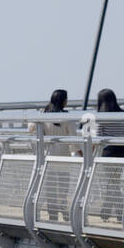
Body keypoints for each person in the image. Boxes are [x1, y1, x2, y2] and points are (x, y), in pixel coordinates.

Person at [30, 88, 77, 219]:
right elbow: (73, 137)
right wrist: (80, 152)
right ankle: (63, 209)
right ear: (63, 101)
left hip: (48, 155)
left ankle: (52, 212)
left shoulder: (43, 113)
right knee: (63, 185)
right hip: (63, 156)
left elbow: (31, 128)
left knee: (50, 185)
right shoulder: (67, 116)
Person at [92, 88, 124, 221]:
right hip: (121, 150)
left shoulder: (101, 116)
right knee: (114, 182)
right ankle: (111, 213)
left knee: (112, 183)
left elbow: (98, 136)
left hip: (108, 151)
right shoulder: (123, 114)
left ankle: (114, 213)